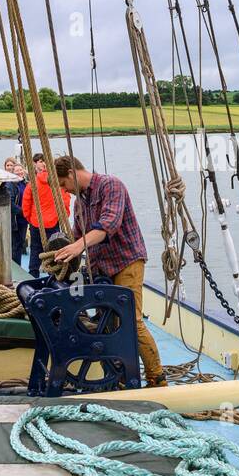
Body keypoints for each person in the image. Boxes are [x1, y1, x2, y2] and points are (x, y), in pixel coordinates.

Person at [52, 156, 165, 387]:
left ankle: (157, 378)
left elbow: (107, 226)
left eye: (63, 184)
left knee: (131, 321)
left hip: (126, 262)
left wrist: (76, 247)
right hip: (101, 266)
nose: (65, 190)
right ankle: (121, 377)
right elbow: (77, 234)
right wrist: (64, 257)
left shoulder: (111, 186)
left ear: (72, 173)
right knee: (110, 323)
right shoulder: (79, 202)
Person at [22, 152, 71, 278]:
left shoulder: (33, 182)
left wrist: (30, 218)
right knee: (53, 251)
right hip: (53, 222)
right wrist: (62, 217)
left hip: (36, 222)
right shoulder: (57, 183)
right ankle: (52, 275)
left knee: (35, 249)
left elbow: (26, 202)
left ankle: (33, 274)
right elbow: (65, 201)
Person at [4, 157, 29, 269]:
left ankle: (17, 266)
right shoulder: (11, 184)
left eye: (21, 170)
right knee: (15, 245)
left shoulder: (26, 184)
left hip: (24, 220)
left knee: (20, 244)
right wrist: (22, 211)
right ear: (13, 173)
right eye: (17, 170)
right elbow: (9, 202)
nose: (19, 172)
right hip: (15, 219)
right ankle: (14, 268)